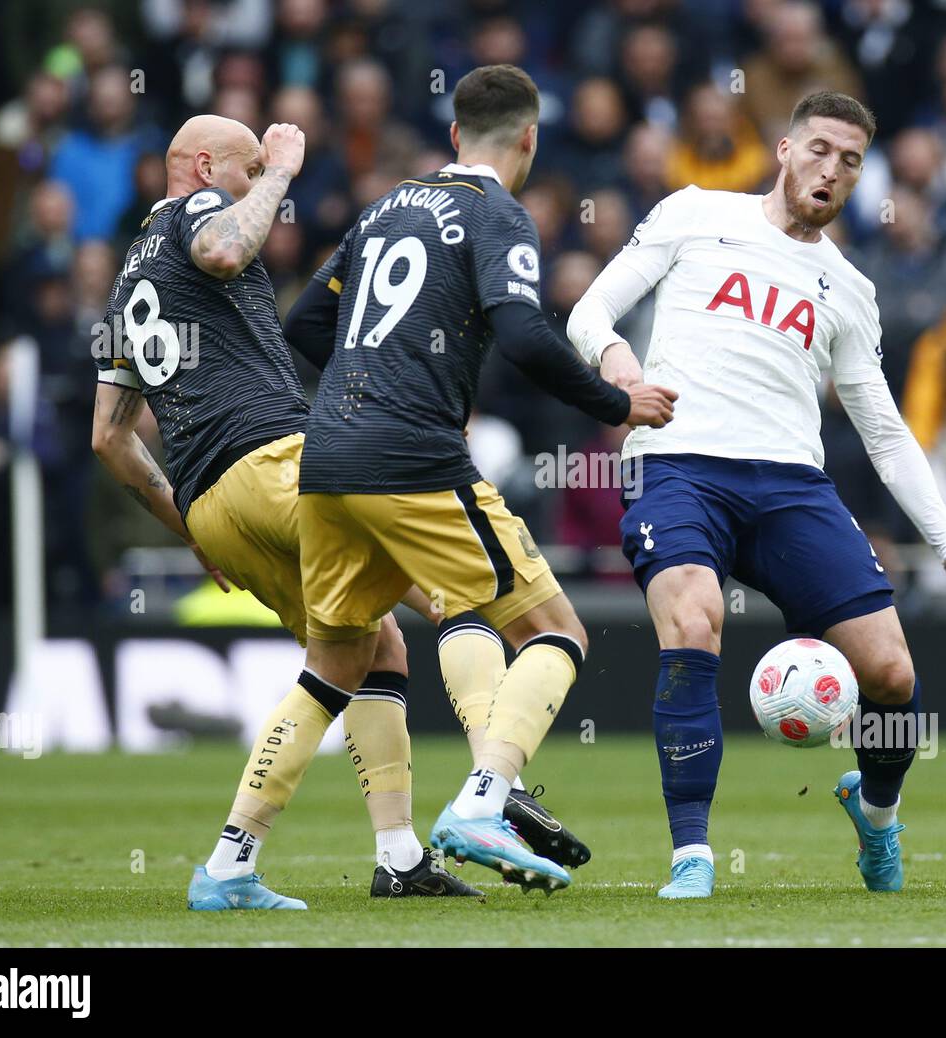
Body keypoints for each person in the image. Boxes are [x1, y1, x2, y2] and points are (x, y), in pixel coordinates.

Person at [567, 90, 946, 899]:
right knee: (695, 619)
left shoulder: (848, 286)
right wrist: (618, 366)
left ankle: (877, 818)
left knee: (888, 672)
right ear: (783, 149)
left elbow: (883, 432)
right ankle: (693, 855)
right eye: (819, 149)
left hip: (790, 486)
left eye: (850, 161)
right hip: (680, 466)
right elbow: (592, 308)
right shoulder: (695, 211)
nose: (831, 169)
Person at [283, 64, 676, 893]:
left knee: (338, 663)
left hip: (326, 457)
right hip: (408, 456)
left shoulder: (385, 205)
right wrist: (617, 401)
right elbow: (527, 335)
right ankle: (486, 795)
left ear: (455, 135)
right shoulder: (499, 215)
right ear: (529, 139)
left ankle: (234, 860)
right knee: (554, 631)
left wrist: (377, 382)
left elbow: (305, 322)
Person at [91, 114, 480, 908]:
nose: (261, 181)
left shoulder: (129, 279)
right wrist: (285, 171)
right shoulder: (200, 215)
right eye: (248, 166)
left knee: (369, 650)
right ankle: (497, 784)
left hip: (213, 501)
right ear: (204, 165)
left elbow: (108, 436)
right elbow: (227, 246)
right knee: (458, 582)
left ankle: (322, 859)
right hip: (276, 461)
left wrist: (188, 524)